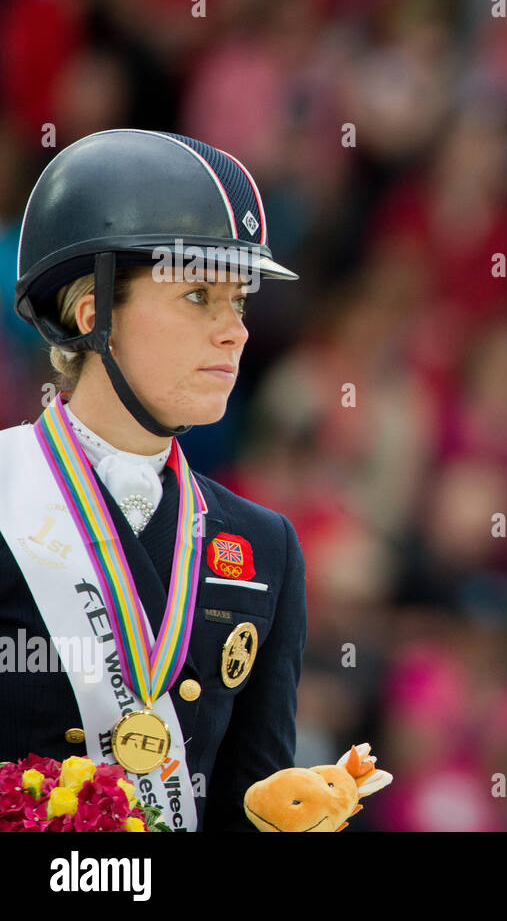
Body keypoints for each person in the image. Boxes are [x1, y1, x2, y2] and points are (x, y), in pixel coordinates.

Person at [0, 129, 307, 831]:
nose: (235, 332)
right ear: (93, 314)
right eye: (199, 295)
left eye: (240, 303)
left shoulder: (267, 549)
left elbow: (250, 803)